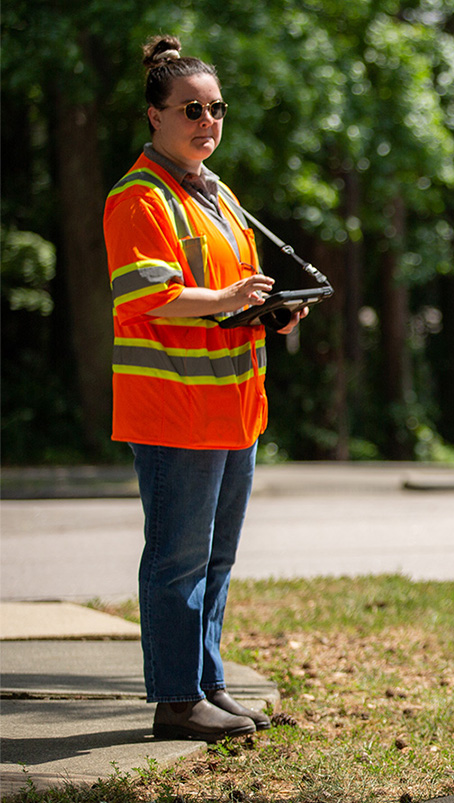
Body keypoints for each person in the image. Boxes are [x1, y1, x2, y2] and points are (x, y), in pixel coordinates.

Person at [104, 35, 303, 742]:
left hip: (232, 409)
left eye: (216, 108)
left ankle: (207, 683)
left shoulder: (218, 195)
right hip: (175, 411)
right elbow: (147, 297)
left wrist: (268, 311)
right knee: (177, 561)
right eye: (190, 109)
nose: (206, 121)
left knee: (215, 559)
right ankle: (175, 701)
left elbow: (229, 297)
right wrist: (225, 295)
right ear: (154, 116)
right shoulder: (138, 197)